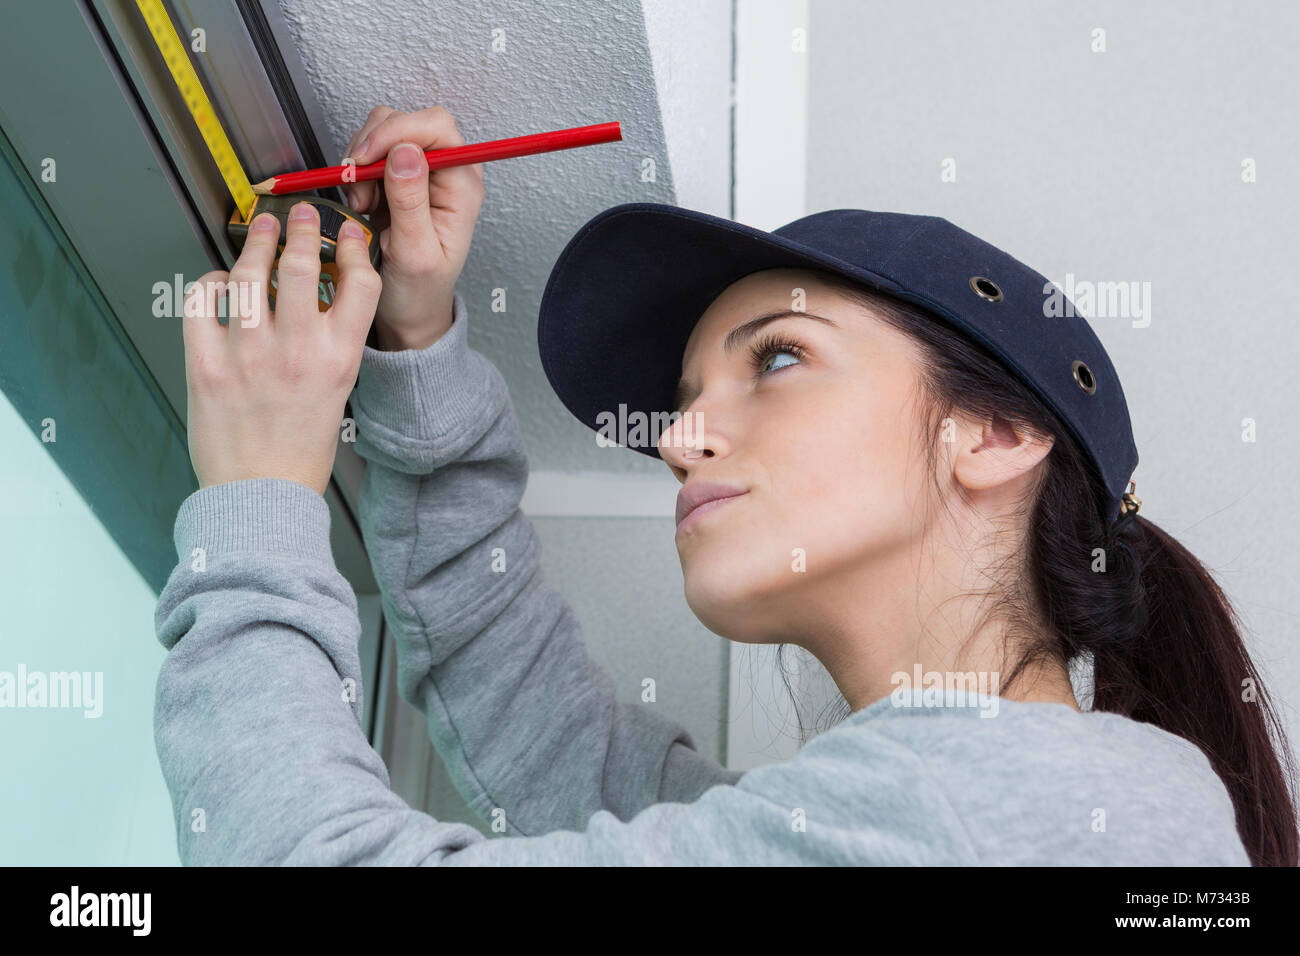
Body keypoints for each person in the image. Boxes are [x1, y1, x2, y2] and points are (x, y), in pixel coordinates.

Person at [154, 105, 1295, 865]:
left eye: (779, 357)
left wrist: (259, 491)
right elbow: (553, 736)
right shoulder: (984, 811)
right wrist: (415, 348)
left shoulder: (996, 810)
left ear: (993, 432)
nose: (683, 432)